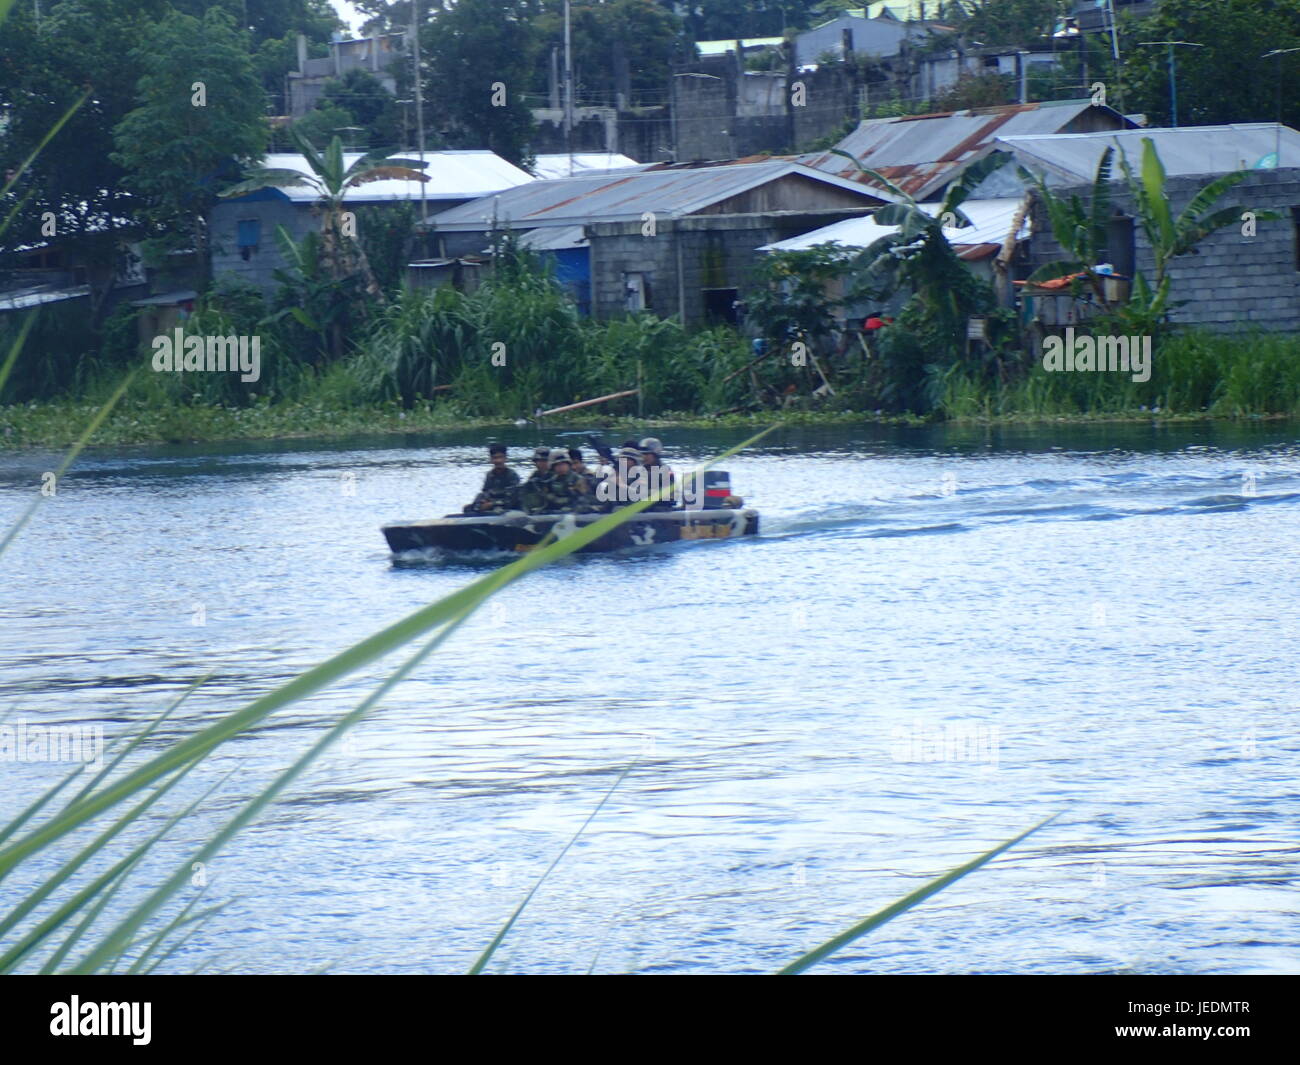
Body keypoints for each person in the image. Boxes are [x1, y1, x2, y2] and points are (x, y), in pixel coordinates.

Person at [464, 443, 521, 514]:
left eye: (500, 457)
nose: (498, 461)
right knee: (468, 508)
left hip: (506, 506)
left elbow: (513, 499)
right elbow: (485, 492)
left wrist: (492, 504)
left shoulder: (512, 475)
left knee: (497, 511)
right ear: (491, 459)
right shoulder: (490, 475)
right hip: (490, 503)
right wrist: (482, 502)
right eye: (495, 458)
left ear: (505, 458)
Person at [639, 437, 675, 510]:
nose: (644, 457)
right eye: (642, 454)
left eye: (647, 454)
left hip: (660, 508)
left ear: (655, 455)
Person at [518, 445, 553, 513]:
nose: (541, 463)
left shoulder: (555, 475)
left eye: (544, 461)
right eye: (539, 461)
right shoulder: (535, 475)